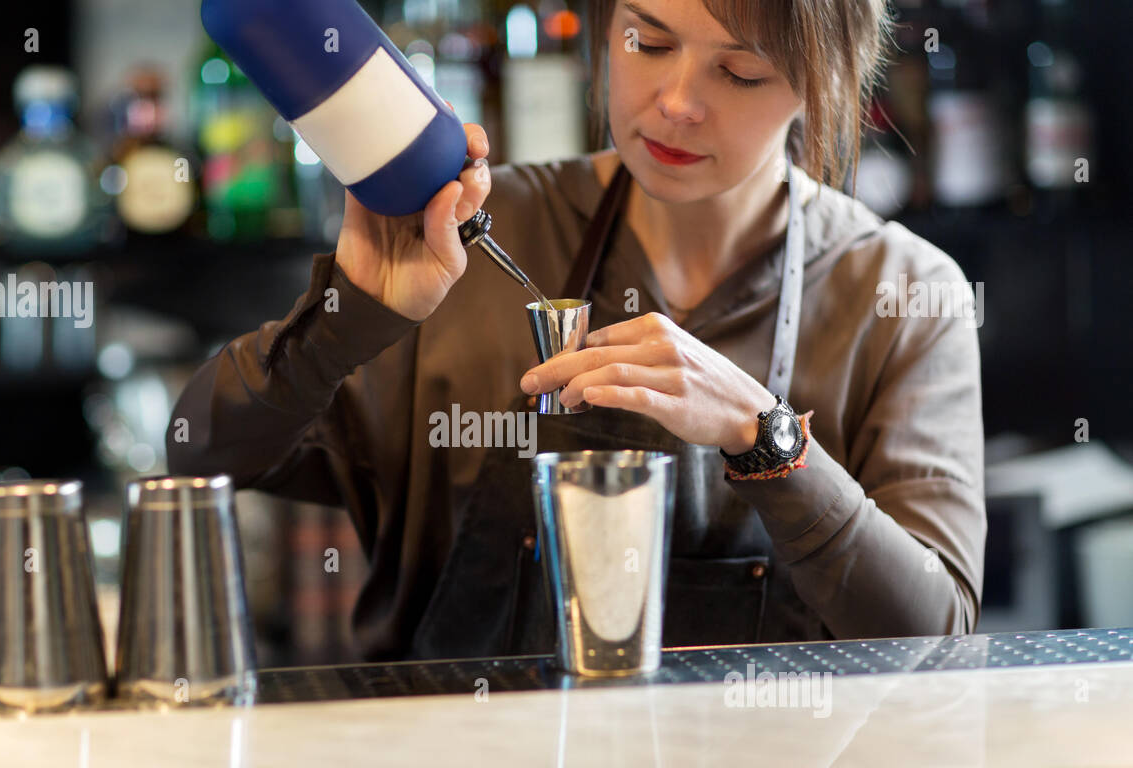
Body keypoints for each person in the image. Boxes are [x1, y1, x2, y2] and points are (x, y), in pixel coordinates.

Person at [167, 0, 986, 663]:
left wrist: (765, 438)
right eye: (646, 41)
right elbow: (198, 452)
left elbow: (936, 630)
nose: (675, 102)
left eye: (739, 71)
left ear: (824, 77)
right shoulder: (455, 235)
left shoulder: (904, 293)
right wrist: (352, 316)